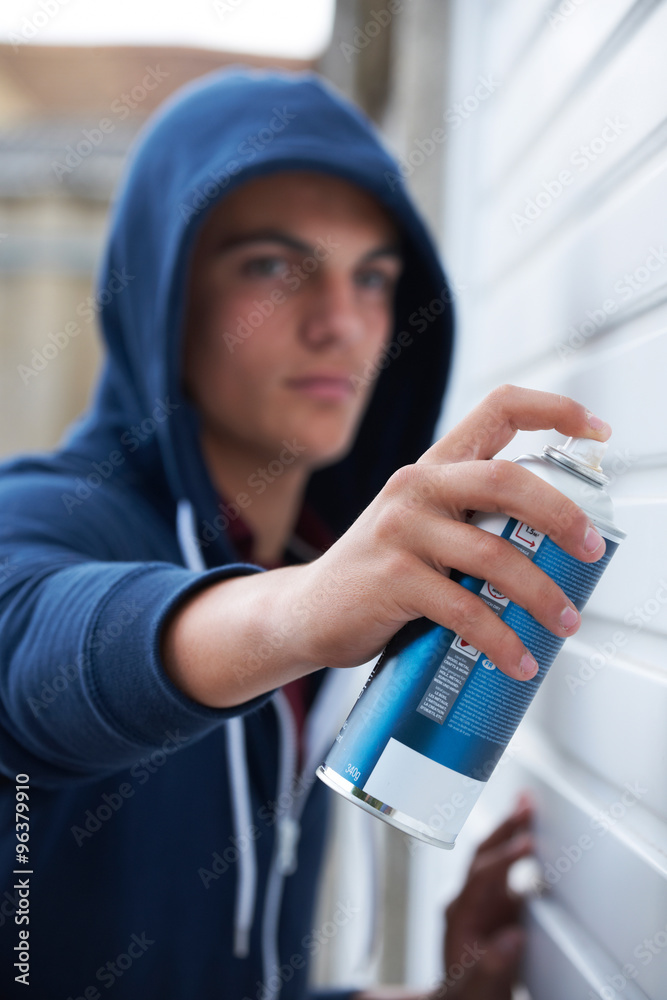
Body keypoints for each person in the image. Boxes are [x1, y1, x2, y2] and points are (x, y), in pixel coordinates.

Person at [0, 67, 610, 999]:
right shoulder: (44, 514)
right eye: (272, 267)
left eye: (373, 278)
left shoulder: (327, 574)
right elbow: (35, 650)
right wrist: (296, 616)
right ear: (164, 293)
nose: (341, 324)